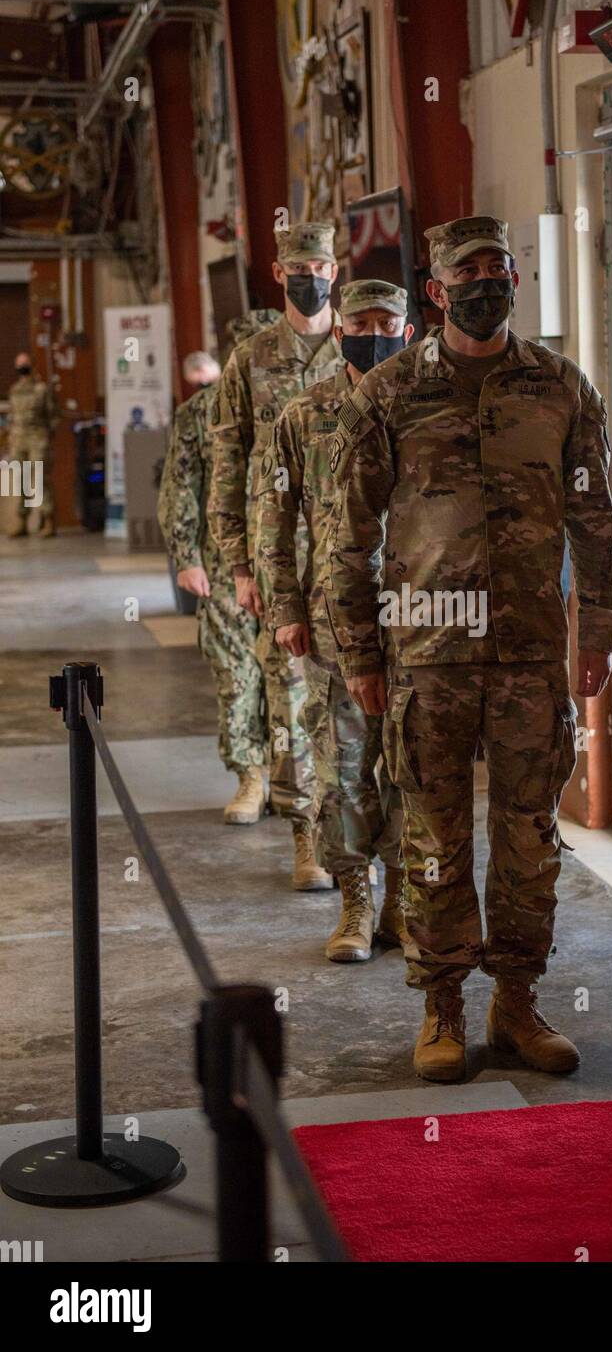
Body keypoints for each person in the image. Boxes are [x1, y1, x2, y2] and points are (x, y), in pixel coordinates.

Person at [325, 216, 612, 1082]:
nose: (488, 282)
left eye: (500, 268)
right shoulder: (386, 395)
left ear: (516, 281)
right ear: (437, 288)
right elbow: (347, 536)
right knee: (434, 836)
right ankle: (442, 1006)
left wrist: (595, 634)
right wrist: (360, 654)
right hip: (426, 655)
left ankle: (518, 1004)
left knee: (531, 837)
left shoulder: (561, 389)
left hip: (531, 654)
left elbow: (594, 524)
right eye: (470, 271)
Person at [257, 280, 413, 963]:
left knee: (412, 769)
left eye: (387, 321)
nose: (374, 331)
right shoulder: (304, 414)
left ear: (409, 330)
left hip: (420, 622)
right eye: (361, 321)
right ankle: (356, 899)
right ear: (341, 329)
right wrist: (285, 606)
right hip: (332, 627)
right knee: (343, 770)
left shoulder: (432, 410)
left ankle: (404, 901)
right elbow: (274, 517)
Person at [208, 223, 344, 890]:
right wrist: (237, 565)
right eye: (299, 265)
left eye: (320, 263)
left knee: (361, 704)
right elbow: (225, 464)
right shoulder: (250, 358)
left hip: (357, 561)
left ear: (337, 269)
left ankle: (369, 842)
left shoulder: (366, 346)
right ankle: (308, 836)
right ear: (278, 270)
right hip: (278, 562)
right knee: (291, 702)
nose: (310, 275)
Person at [158, 323, 277, 825]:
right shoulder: (201, 413)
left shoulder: (299, 403)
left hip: (290, 567)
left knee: (292, 680)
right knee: (237, 675)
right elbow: (180, 485)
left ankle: (294, 780)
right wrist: (186, 556)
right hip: (226, 568)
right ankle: (250, 776)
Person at [6, 352, 59, 538]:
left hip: (37, 438)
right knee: (21, 480)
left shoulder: (41, 389)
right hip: (18, 440)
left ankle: (48, 519)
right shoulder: (14, 390)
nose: (22, 366)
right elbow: (12, 417)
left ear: (31, 364)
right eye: (19, 364)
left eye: (24, 363)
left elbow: (53, 416)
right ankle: (22, 520)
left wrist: (47, 436)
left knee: (38, 478)